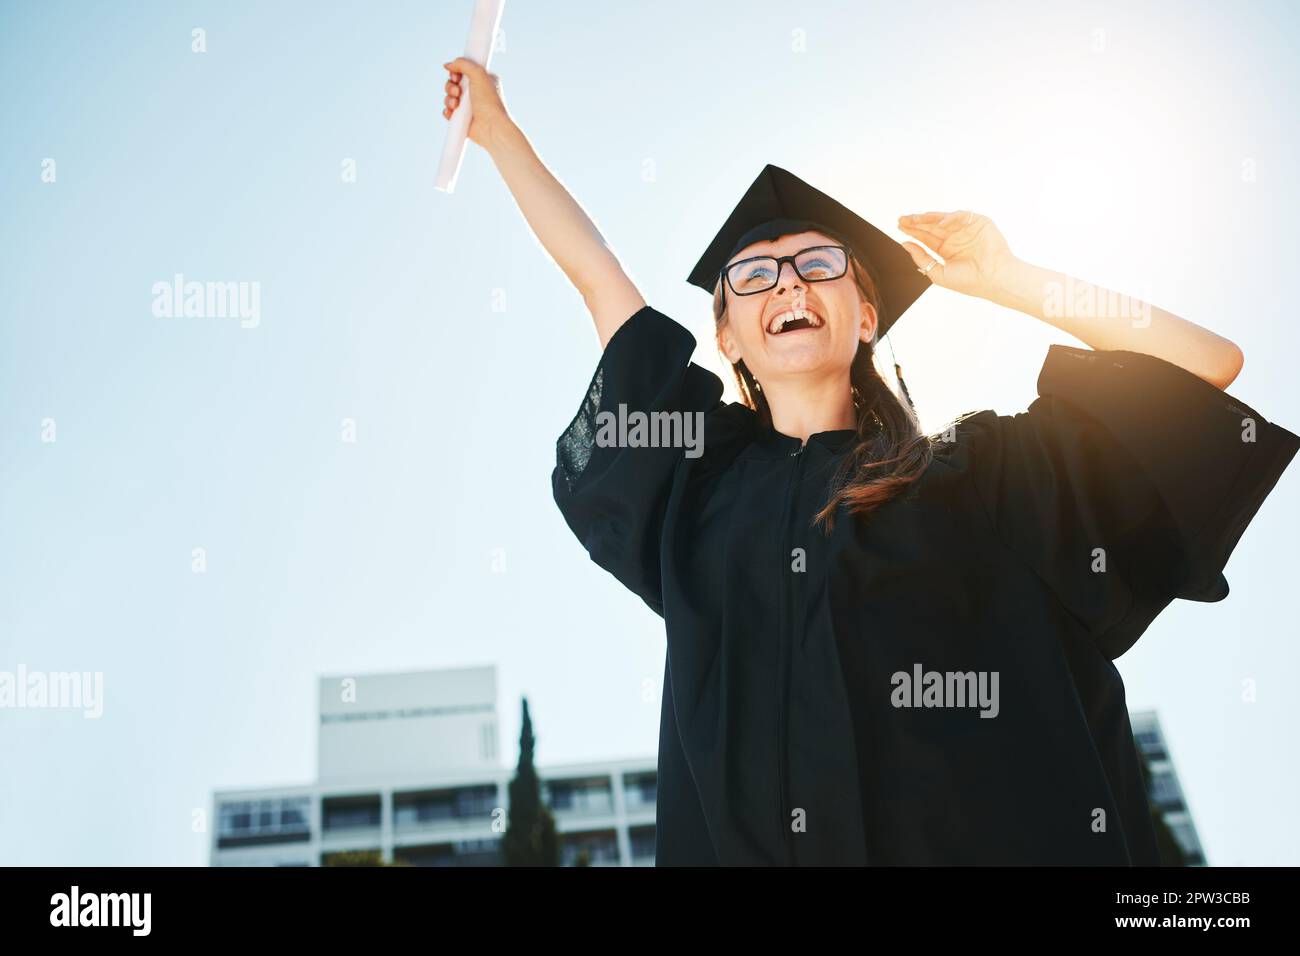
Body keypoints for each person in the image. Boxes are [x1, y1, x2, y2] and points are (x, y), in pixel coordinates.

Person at [443, 58, 1300, 865]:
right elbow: (601, 278)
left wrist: (1009, 277)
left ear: (864, 316)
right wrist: (498, 131)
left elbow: (1206, 366)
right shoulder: (691, 488)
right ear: (728, 338)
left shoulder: (984, 476)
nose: (787, 285)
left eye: (818, 265)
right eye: (754, 277)